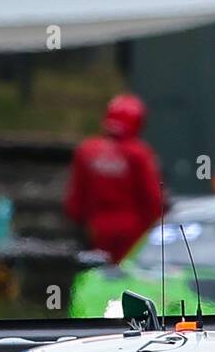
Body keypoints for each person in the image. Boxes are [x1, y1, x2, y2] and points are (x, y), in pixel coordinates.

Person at [64, 94, 163, 261]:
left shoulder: (87, 150)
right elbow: (153, 198)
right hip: (133, 230)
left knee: (98, 271)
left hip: (95, 228)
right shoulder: (139, 153)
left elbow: (75, 202)